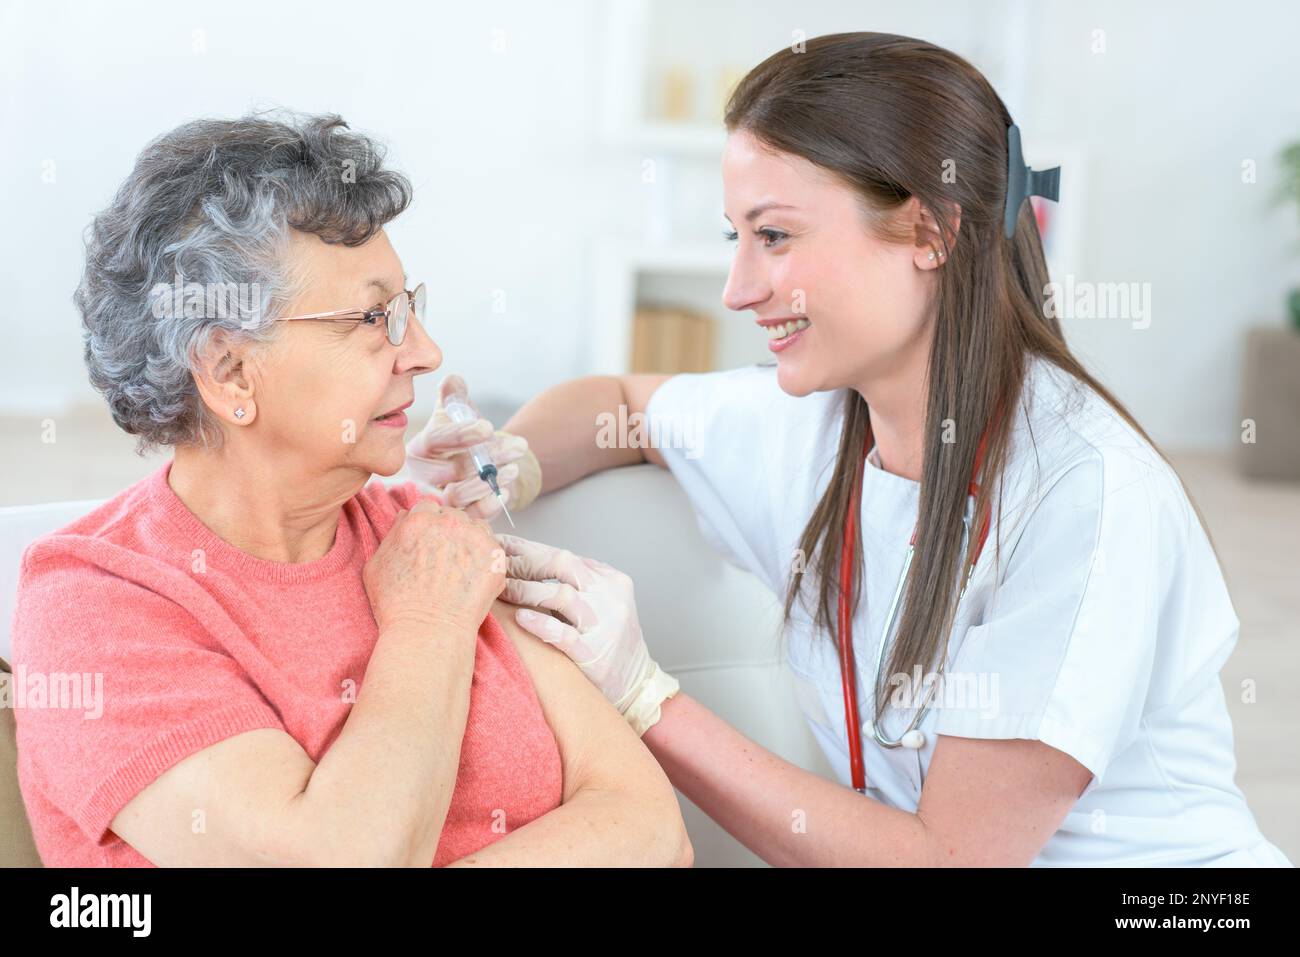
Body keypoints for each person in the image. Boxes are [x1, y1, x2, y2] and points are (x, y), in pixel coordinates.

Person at [498, 32, 1293, 867]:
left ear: (929, 231)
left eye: (773, 236)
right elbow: (619, 403)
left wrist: (644, 696)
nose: (737, 288)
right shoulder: (805, 429)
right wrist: (498, 463)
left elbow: (946, 858)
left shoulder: (1086, 494)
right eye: (735, 236)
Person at [10, 110, 690, 867]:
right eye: (375, 318)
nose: (424, 353)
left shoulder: (426, 534)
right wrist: (428, 623)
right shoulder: (97, 605)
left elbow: (653, 830)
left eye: (410, 309)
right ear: (230, 370)